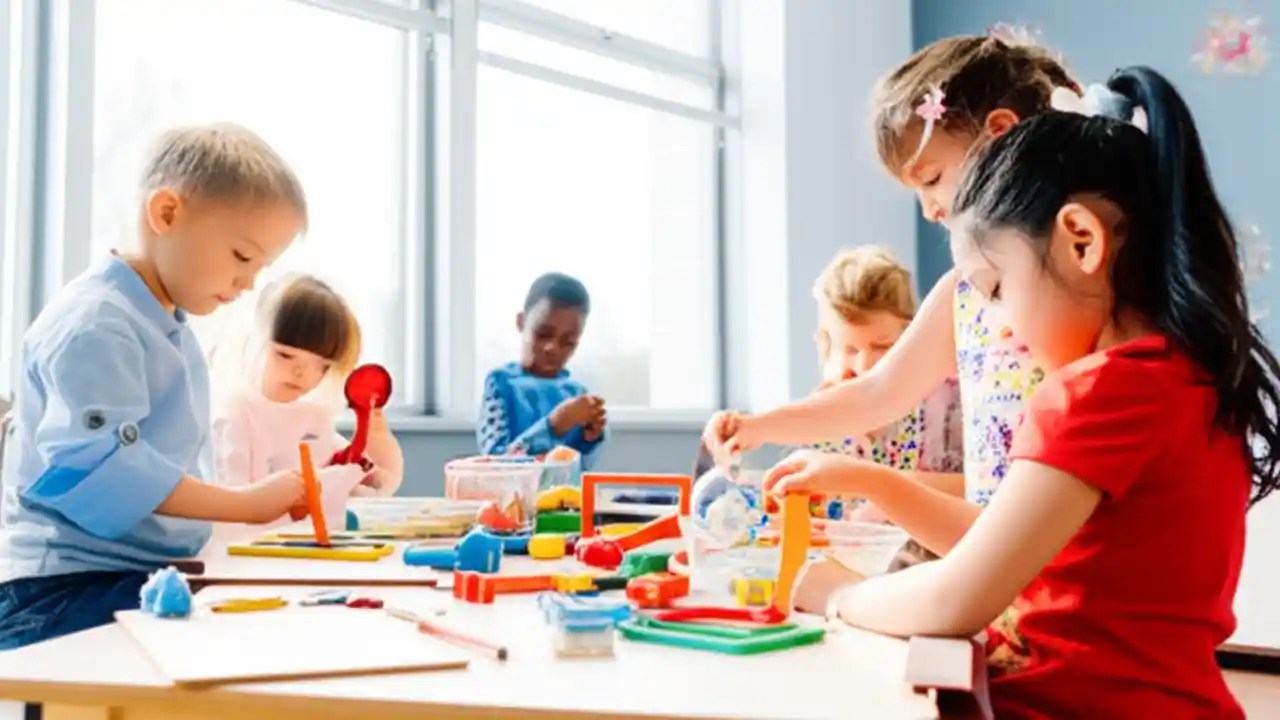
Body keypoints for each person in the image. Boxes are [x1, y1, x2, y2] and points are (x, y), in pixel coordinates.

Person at [775, 67, 1276, 718]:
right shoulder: (1185, 379)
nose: (1002, 324)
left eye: (997, 289)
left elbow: (961, 596)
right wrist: (874, 484)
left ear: (1081, 240)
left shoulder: (1100, 394)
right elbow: (1004, 542)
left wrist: (839, 596)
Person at [704, 34, 1079, 554]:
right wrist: (760, 426)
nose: (928, 209)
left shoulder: (1079, 290)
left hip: (1056, 553)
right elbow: (878, 393)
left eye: (932, 179)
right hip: (991, 562)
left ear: (998, 135)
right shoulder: (963, 295)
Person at [0, 124, 311, 648]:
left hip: (118, 575)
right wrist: (244, 503)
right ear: (166, 214)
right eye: (241, 257)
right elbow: (103, 469)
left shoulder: (164, 325)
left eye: (261, 268)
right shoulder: (98, 323)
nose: (248, 282)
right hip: (59, 589)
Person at [212, 274, 403, 497]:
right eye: (285, 355)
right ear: (253, 341)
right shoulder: (235, 412)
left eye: (321, 366)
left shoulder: (311, 415)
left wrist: (367, 476)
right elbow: (232, 501)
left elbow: (346, 466)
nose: (302, 373)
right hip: (255, 529)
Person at [477, 272, 607, 470]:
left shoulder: (577, 394)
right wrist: (553, 426)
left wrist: (590, 439)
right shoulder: (501, 383)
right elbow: (494, 463)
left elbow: (579, 470)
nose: (552, 348)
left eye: (567, 342)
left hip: (563, 500)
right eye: (543, 334)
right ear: (521, 322)